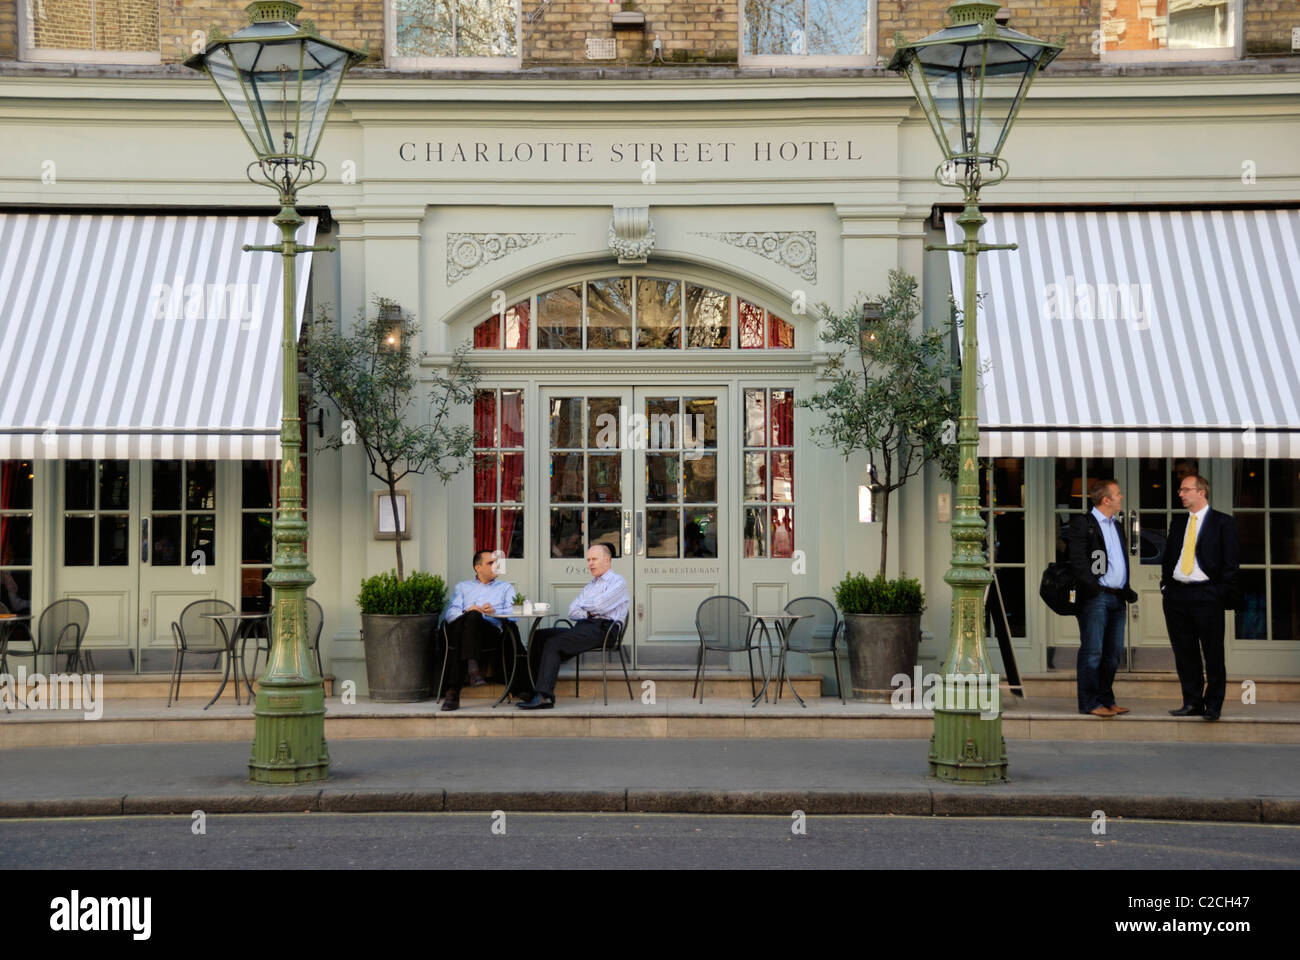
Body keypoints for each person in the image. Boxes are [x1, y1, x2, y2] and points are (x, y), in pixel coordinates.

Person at [1161, 473, 1239, 721]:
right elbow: (1168, 557)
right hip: (1177, 595)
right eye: (1181, 490)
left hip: (1207, 595)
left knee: (1213, 652)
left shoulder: (1223, 523)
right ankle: (1192, 702)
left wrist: (1218, 593)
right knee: (1185, 652)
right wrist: (1166, 587)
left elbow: (1231, 564)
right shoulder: (1177, 523)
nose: (1180, 494)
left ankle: (1213, 704)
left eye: (1185, 490)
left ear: (1201, 492)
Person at [517, 543, 630, 710]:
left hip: (604, 630)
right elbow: (573, 611)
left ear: (607, 560)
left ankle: (545, 696)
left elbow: (601, 606)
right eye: (588, 560)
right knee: (540, 636)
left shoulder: (618, 582)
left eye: (594, 559)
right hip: (585, 626)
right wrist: (588, 612)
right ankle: (533, 688)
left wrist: (586, 607)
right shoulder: (590, 585)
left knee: (554, 643)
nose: (590, 563)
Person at [1067, 478, 1138, 717]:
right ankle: (1090, 702)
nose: (1121, 497)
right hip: (1095, 598)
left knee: (1113, 652)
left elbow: (1120, 559)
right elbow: (1077, 560)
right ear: (1106, 499)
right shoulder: (1083, 523)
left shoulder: (1116, 525)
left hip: (1118, 598)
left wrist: (1125, 587)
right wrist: (1094, 588)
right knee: (1093, 650)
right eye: (1118, 494)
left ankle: (1107, 699)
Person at [440, 551, 517, 711]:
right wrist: (467, 611)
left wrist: (494, 611)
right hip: (462, 629)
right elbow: (450, 615)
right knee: (471, 617)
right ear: (478, 568)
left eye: (496, 562)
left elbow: (513, 614)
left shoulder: (505, 587)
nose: (495, 566)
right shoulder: (462, 587)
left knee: (472, 620)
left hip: (489, 634)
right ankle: (473, 671)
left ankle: (453, 691)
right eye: (490, 563)